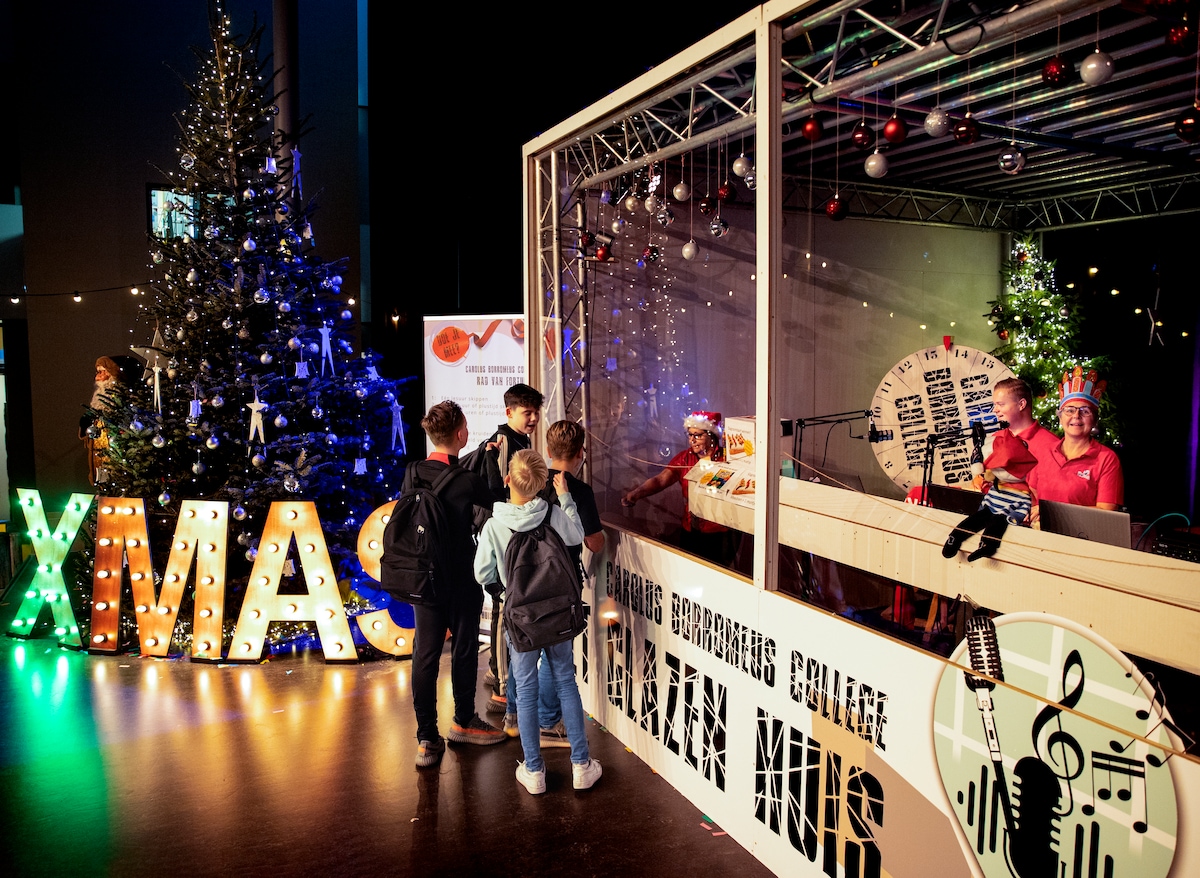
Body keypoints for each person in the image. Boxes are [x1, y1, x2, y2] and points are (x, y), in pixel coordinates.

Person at [473, 449, 601, 794]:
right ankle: (582, 766)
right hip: (558, 614)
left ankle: (534, 772)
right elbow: (577, 536)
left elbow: (481, 572)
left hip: (521, 619)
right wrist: (565, 499)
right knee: (565, 681)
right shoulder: (555, 514)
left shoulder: (494, 525)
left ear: (506, 481)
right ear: (543, 483)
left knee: (526, 690)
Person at [408, 401, 506, 769]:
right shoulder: (468, 480)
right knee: (464, 650)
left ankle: (426, 740)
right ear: (462, 433)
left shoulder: (413, 471)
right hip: (460, 576)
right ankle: (464, 721)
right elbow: (499, 505)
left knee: (426, 655)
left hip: (422, 577)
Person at [537, 420, 604, 749]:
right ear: (580, 454)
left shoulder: (531, 483)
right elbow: (594, 542)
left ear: (548, 451)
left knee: (536, 653)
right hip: (562, 581)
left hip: (528, 579)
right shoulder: (580, 492)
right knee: (557, 655)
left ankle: (534, 718)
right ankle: (547, 722)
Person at [481, 383, 544, 721]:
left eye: (535, 412)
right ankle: (502, 686)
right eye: (526, 412)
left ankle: (501, 674)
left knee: (509, 609)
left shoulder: (522, 439)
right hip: (506, 535)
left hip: (512, 535)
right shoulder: (505, 441)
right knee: (505, 608)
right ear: (509, 412)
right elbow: (505, 491)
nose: (533, 418)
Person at [620, 410, 737, 565]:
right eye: (689, 435)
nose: (692, 440)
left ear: (711, 435)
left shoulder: (726, 458)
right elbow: (661, 480)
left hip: (720, 534)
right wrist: (635, 494)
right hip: (691, 531)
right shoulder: (685, 458)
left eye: (698, 435)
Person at [1029, 367, 1124, 510]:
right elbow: (1033, 494)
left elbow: (1106, 513)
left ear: (1095, 420)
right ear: (1060, 417)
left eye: (1085, 411)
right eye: (1069, 410)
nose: (1076, 416)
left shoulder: (1107, 459)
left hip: (1083, 533)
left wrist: (1053, 513)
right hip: (1041, 531)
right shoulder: (1044, 452)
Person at [79, 356, 124, 486]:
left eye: (101, 372)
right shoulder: (99, 396)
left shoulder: (118, 396)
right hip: (98, 446)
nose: (97, 376)